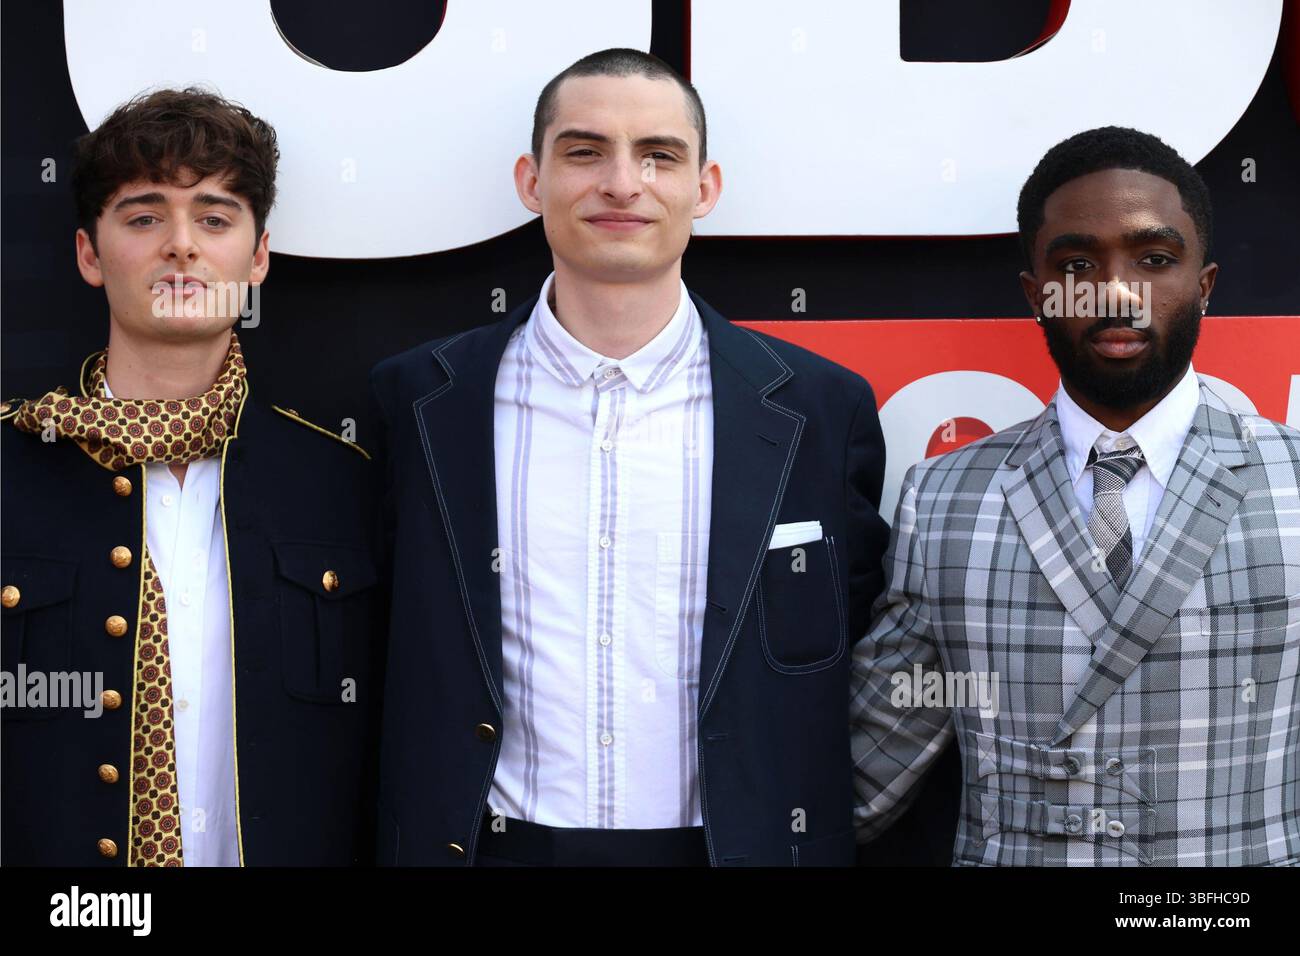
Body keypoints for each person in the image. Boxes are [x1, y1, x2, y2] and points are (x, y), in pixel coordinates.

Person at [371, 49, 892, 865]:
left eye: (658, 154)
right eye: (584, 152)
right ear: (531, 181)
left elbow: (850, 642)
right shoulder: (416, 402)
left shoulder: (820, 410)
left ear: (704, 187)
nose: (622, 183)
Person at [850, 126, 1300, 866]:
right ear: (1037, 294)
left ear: (1206, 285)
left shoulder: (1288, 479)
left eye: (1154, 260)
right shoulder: (945, 500)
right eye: (1078, 263)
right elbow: (877, 751)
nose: (1117, 292)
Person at [0, 87, 384, 866]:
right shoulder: (13, 466)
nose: (181, 245)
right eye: (144, 217)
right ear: (88, 253)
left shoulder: (345, 485)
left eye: (214, 217)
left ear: (258, 256)